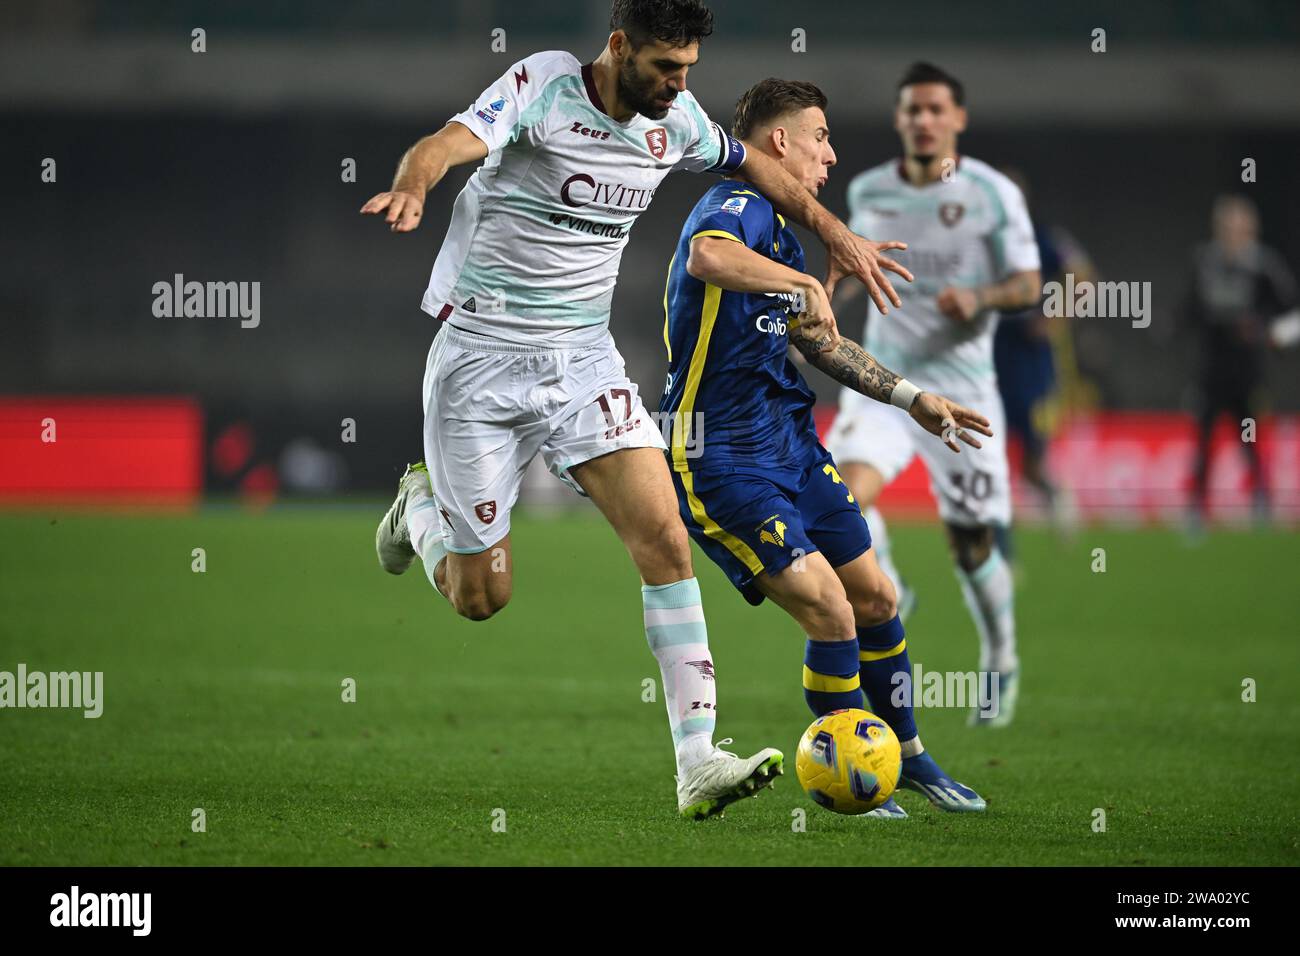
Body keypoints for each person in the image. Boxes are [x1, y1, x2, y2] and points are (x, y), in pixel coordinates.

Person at [360, 0, 911, 819]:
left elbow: (752, 164)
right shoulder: (543, 86)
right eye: (662, 67)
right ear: (618, 47)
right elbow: (446, 145)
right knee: (482, 597)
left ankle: (697, 762)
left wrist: (834, 233)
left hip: (584, 363)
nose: (677, 86)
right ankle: (421, 512)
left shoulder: (677, 119)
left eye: (687, 69)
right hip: (480, 361)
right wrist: (412, 185)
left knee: (663, 538)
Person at [662, 77, 991, 816]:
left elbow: (822, 347)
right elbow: (707, 261)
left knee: (876, 596)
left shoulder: (780, 236)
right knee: (832, 611)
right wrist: (802, 279)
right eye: (819, 137)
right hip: (720, 455)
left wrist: (916, 401)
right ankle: (849, 769)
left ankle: (907, 758)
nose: (830, 156)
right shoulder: (737, 204)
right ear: (779, 141)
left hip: (793, 446)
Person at [824, 62, 1041, 728]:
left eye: (935, 109)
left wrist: (980, 296)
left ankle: (1000, 655)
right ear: (899, 119)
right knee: (841, 498)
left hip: (965, 393)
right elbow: (862, 266)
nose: (922, 119)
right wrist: (828, 291)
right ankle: (891, 588)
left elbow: (1030, 283)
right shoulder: (869, 192)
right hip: (887, 383)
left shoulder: (992, 193)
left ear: (957, 119)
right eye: (911, 110)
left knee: (972, 544)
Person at [1185, 194, 1297, 529]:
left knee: (1248, 436)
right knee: (1204, 436)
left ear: (1251, 231)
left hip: (1247, 370)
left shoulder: (1264, 266)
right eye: (1226, 228)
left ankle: (1261, 501)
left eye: (1239, 229)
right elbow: (1190, 308)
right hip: (1212, 368)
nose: (1232, 235)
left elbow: (1291, 310)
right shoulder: (1205, 260)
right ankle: (1196, 508)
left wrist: (1270, 333)